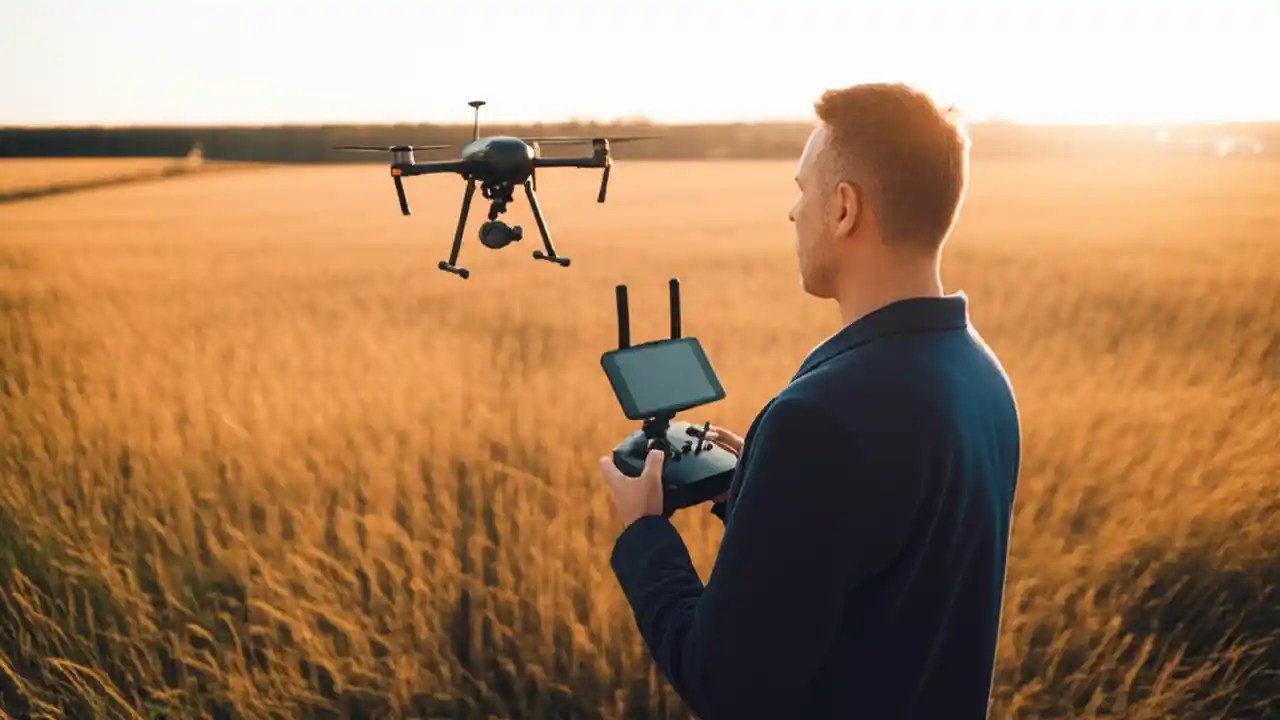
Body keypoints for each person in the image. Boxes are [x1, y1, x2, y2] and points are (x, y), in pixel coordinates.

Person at [598, 82, 1022, 719]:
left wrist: (645, 533)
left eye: (802, 191)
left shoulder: (818, 420)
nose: (793, 213)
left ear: (844, 209)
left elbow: (724, 682)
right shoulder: (981, 373)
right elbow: (886, 588)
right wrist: (757, 497)